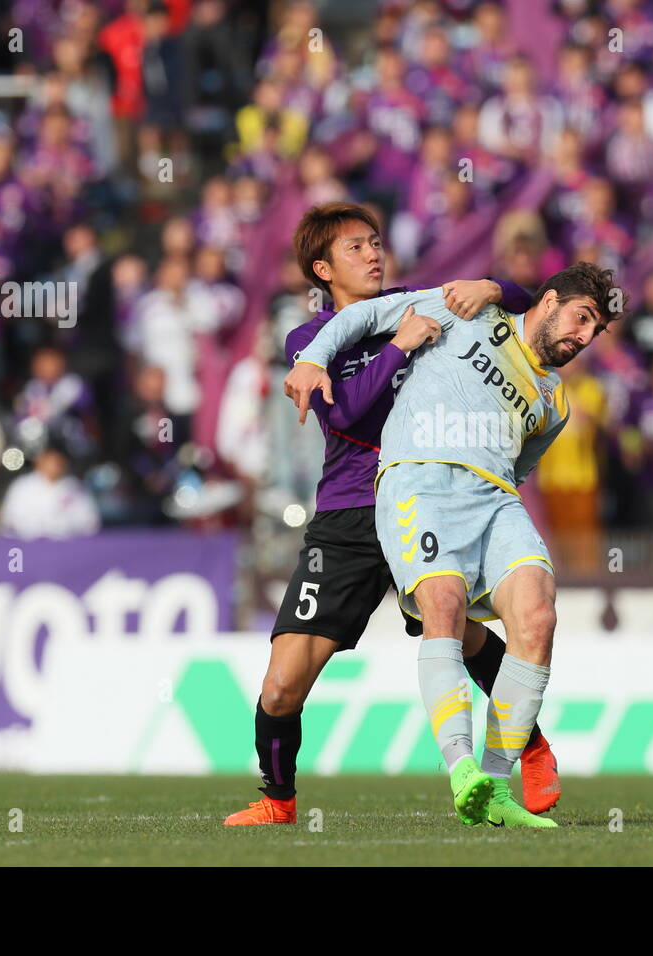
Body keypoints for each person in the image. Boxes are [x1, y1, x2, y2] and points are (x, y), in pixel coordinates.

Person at [224, 202, 558, 827]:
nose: (373, 254)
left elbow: (531, 305)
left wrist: (495, 286)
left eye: (375, 242)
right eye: (355, 248)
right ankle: (278, 800)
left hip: (431, 496)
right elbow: (345, 412)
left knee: (455, 628)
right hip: (350, 514)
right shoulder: (308, 342)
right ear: (321, 269)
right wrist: (401, 347)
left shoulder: (420, 301)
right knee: (281, 686)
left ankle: (529, 745)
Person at [286, 261, 620, 828]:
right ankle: (461, 769)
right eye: (581, 318)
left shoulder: (555, 402)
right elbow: (368, 313)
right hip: (421, 477)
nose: (583, 338)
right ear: (550, 300)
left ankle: (492, 786)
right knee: (444, 606)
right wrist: (312, 358)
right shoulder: (469, 307)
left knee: (537, 615)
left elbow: (522, 467)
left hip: (494, 494)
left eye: (595, 333)